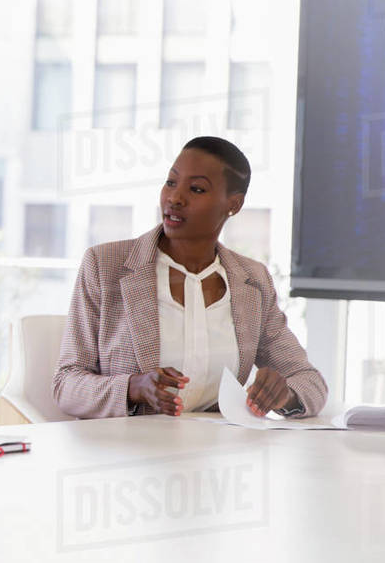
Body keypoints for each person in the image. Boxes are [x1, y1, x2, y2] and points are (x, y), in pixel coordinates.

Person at [53, 136, 327, 420]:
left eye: (196, 189)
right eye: (171, 183)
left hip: (217, 455)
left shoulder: (252, 281)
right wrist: (133, 387)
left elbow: (310, 381)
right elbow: (66, 384)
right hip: (126, 451)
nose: (175, 198)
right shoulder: (105, 265)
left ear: (233, 204)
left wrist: (285, 394)